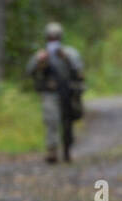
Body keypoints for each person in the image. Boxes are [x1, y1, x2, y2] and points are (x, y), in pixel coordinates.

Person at [27, 22, 84, 164]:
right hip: (49, 93)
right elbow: (29, 71)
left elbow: (79, 73)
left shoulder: (70, 53)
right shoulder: (41, 55)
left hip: (68, 93)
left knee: (67, 123)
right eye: (51, 38)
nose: (53, 41)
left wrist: (66, 58)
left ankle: (67, 149)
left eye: (56, 37)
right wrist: (40, 62)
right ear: (46, 38)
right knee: (51, 121)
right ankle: (52, 150)